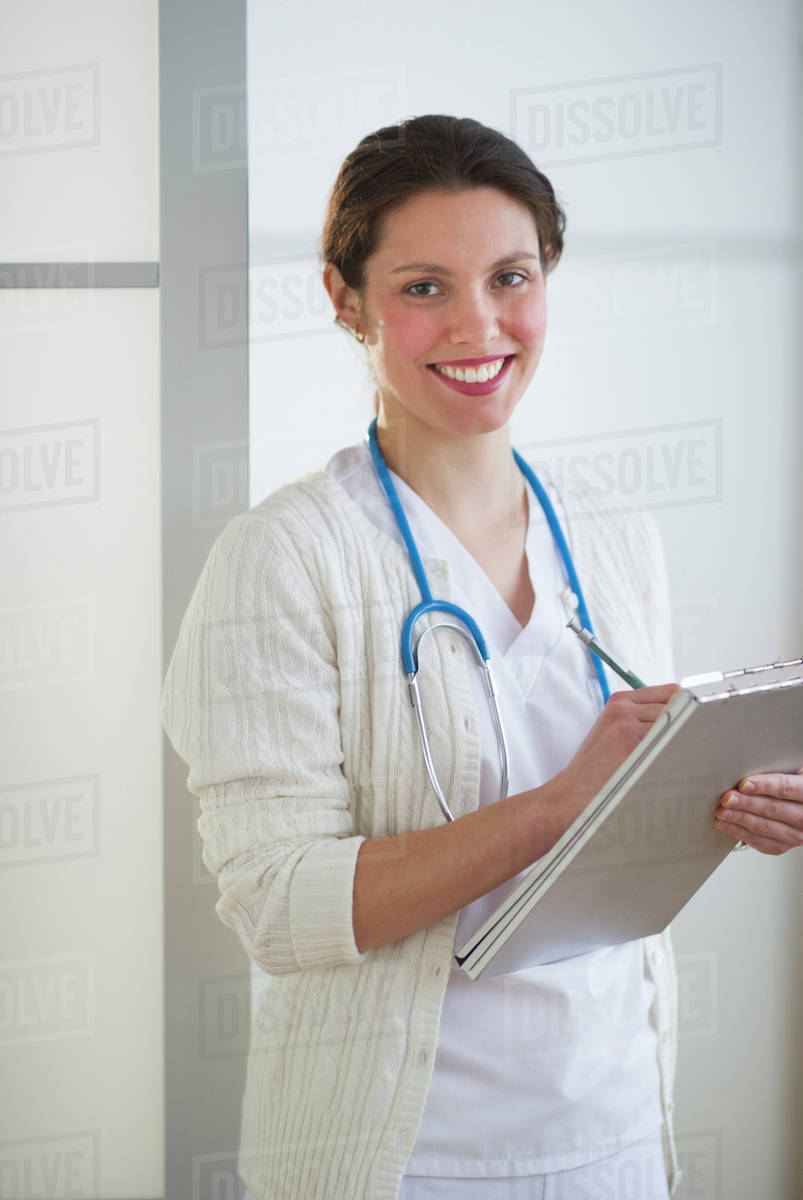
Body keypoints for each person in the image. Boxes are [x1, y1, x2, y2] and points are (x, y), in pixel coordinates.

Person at [160, 115, 803, 1200]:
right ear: (342, 299)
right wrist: (558, 806)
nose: (478, 325)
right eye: (422, 287)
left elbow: (624, 816)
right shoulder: (285, 558)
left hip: (612, 1130)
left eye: (509, 276)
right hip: (403, 1160)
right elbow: (275, 902)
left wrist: (728, 799)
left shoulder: (607, 530)